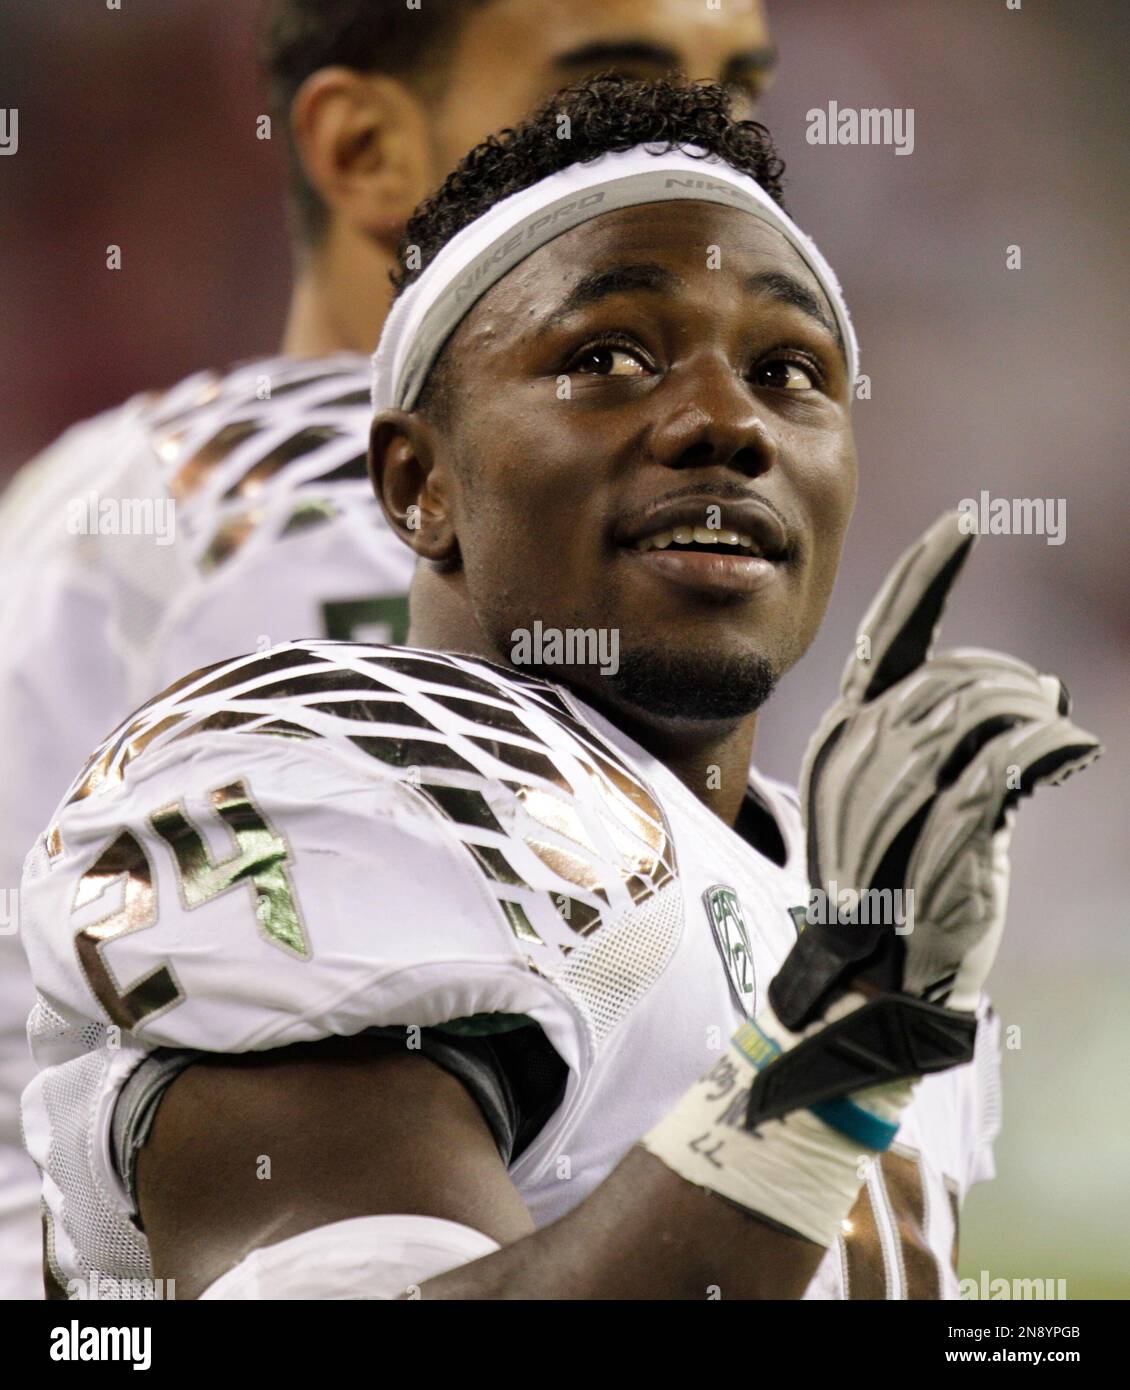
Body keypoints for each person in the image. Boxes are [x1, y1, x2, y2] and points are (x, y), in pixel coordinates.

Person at [18, 79, 1099, 1300]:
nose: (724, 423)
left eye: (788, 370)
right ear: (418, 482)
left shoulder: (829, 894)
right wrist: (826, 1051)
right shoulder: (352, 785)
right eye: (609, 356)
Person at [0, 0, 777, 1297]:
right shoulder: (347, 527)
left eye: (737, 87)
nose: (701, 152)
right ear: (363, 148)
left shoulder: (129, 474)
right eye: (617, 87)